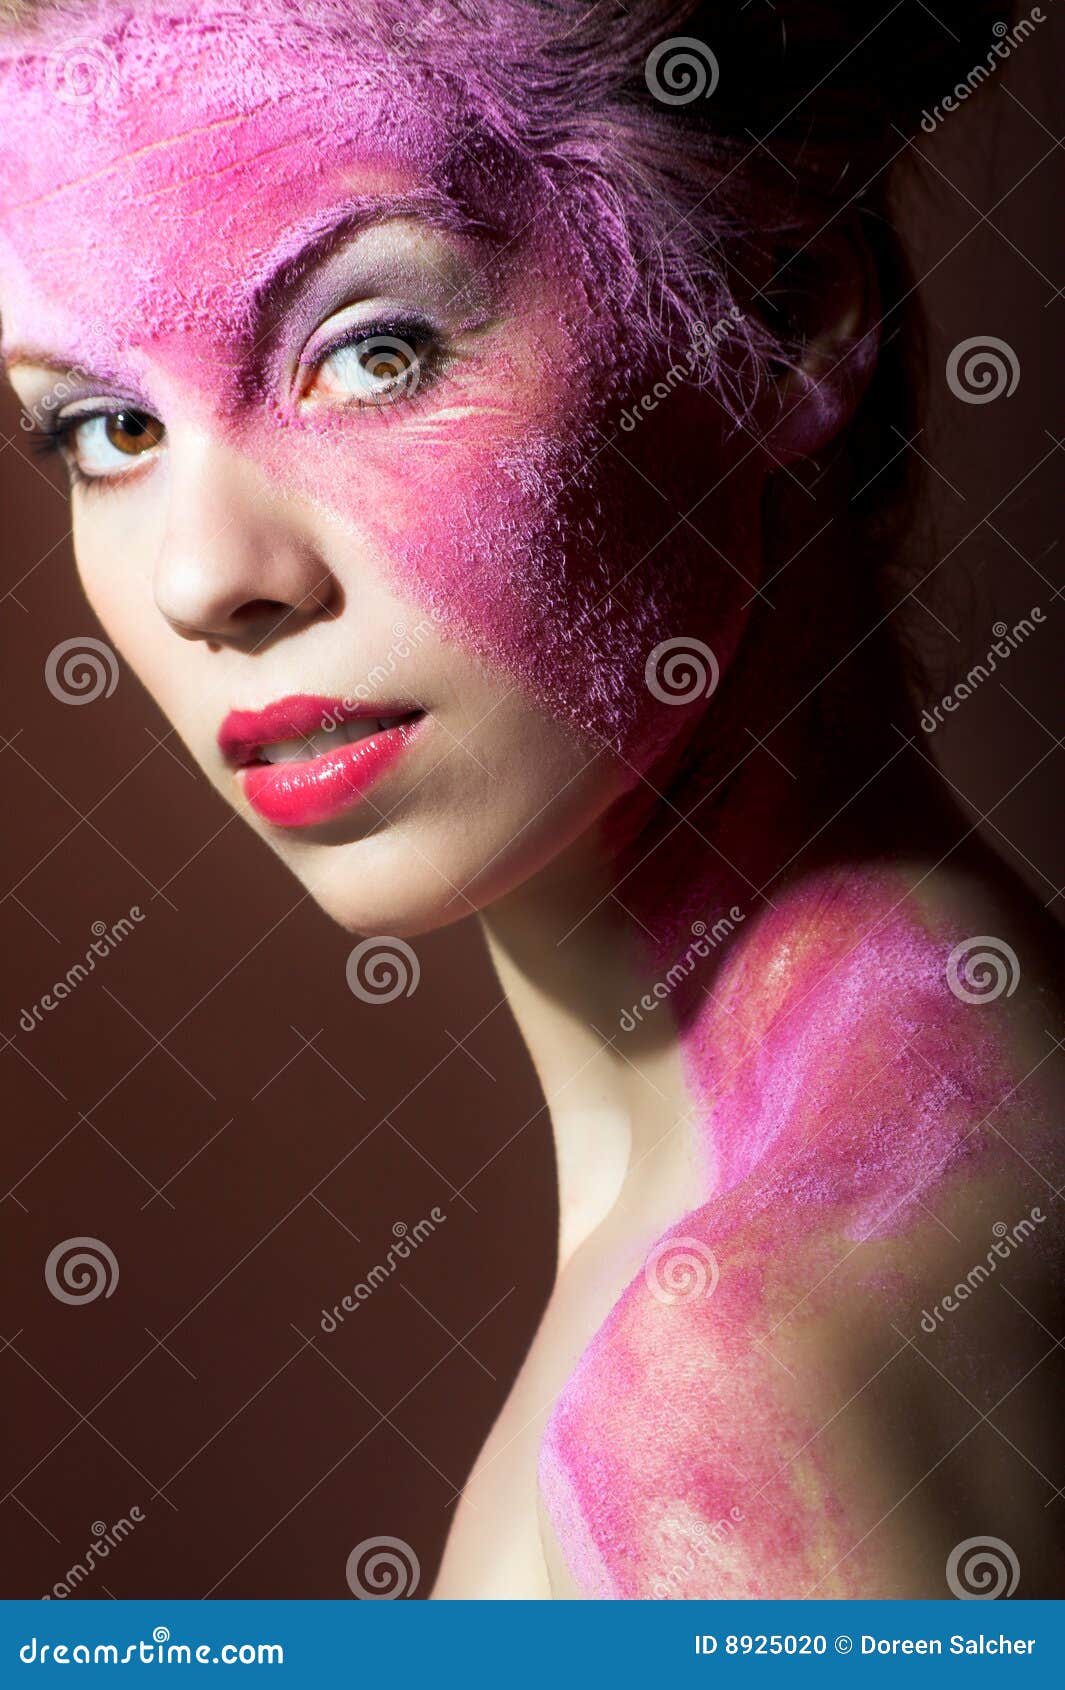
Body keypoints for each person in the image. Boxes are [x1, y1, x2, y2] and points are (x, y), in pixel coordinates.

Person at [1, 0, 1061, 1598]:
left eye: (374, 351)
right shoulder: (938, 1120)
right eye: (108, 427)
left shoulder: (734, 1390)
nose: (205, 576)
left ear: (781, 313)